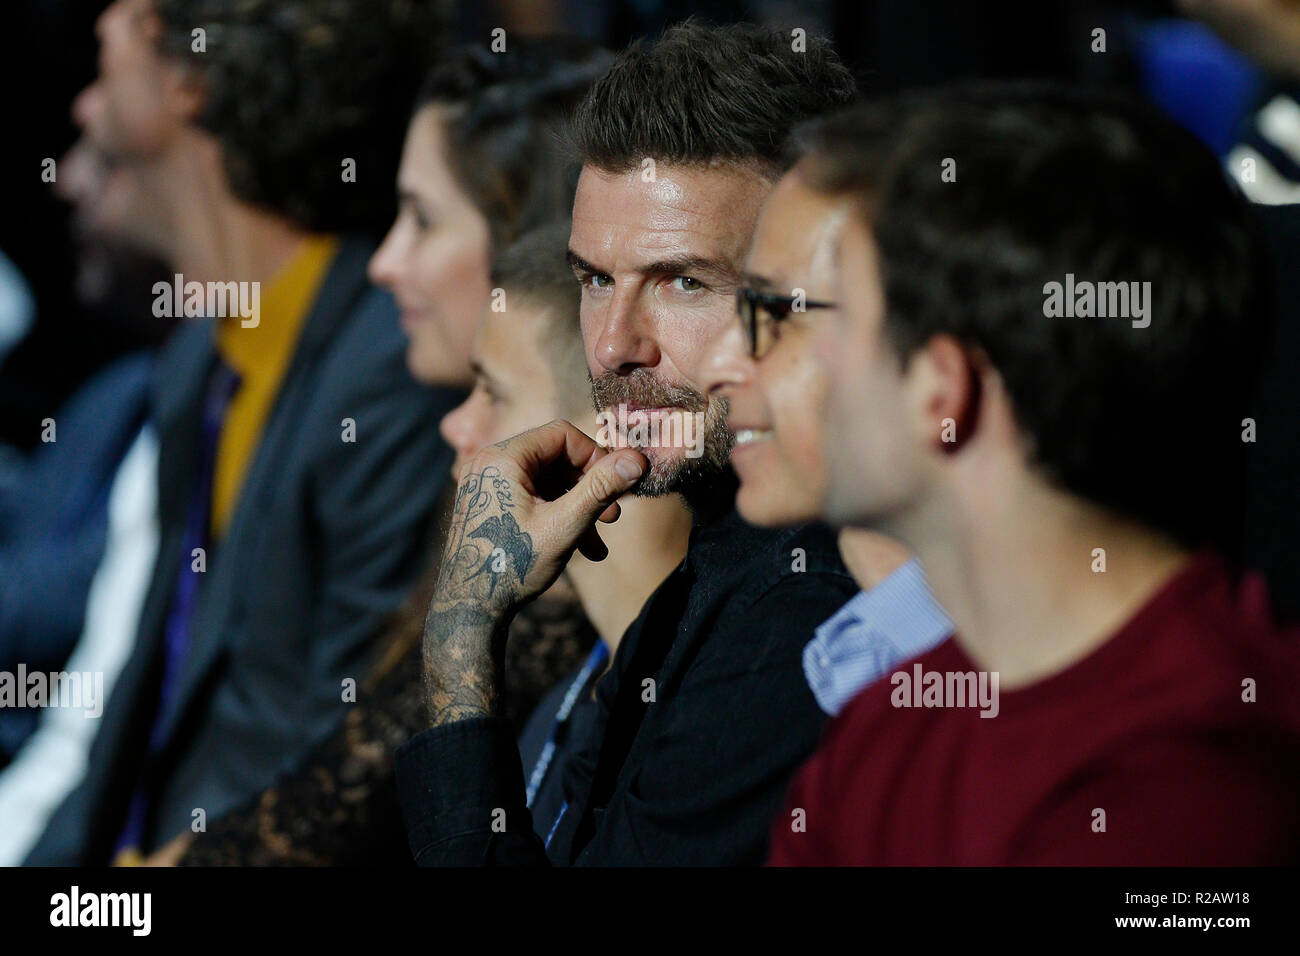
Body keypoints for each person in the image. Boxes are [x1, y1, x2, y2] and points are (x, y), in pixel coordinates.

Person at [769, 83, 1300, 865]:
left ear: (941, 389)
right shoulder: (893, 719)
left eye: (797, 318)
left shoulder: (1202, 782)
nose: (740, 367)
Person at [395, 20, 861, 866]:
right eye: (594, 279)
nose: (612, 346)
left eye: (684, 281)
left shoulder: (798, 622)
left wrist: (460, 645)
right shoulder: (722, 562)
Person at [25, 0, 453, 865]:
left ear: (188, 77)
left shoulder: (388, 366)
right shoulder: (196, 367)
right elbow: (137, 719)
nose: (81, 107)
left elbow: (339, 756)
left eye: (106, 60)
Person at [698, 158, 952, 719]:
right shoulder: (852, 656)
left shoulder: (1106, 735)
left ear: (943, 376)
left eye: (779, 314)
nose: (716, 366)